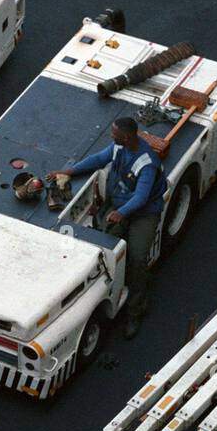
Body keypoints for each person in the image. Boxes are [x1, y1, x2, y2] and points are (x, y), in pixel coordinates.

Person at [47, 115, 166, 339]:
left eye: (115, 133)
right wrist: (68, 172)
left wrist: (120, 213)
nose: (111, 135)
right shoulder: (118, 148)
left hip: (142, 214)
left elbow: (141, 197)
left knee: (138, 257)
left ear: (127, 136)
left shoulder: (146, 163)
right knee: (103, 243)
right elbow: (97, 159)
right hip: (118, 207)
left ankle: (136, 308)